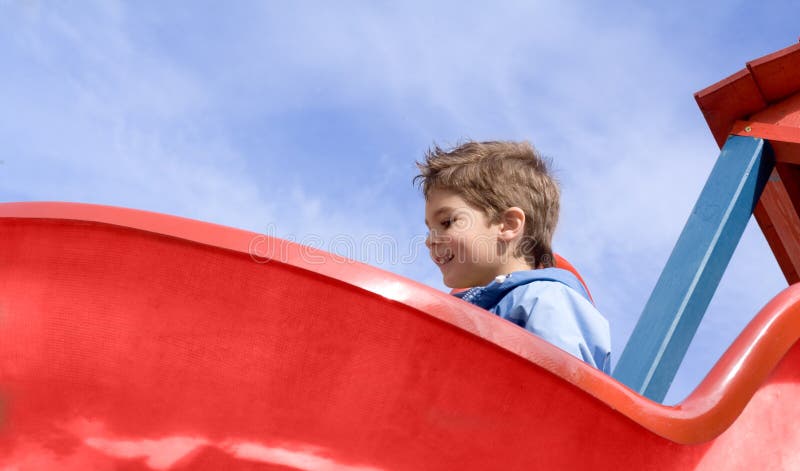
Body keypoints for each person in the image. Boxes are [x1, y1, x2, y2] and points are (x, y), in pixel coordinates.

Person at [416, 140, 611, 373]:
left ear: (508, 225)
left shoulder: (546, 300)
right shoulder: (461, 317)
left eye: (447, 222)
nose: (430, 240)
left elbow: (561, 385)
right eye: (430, 229)